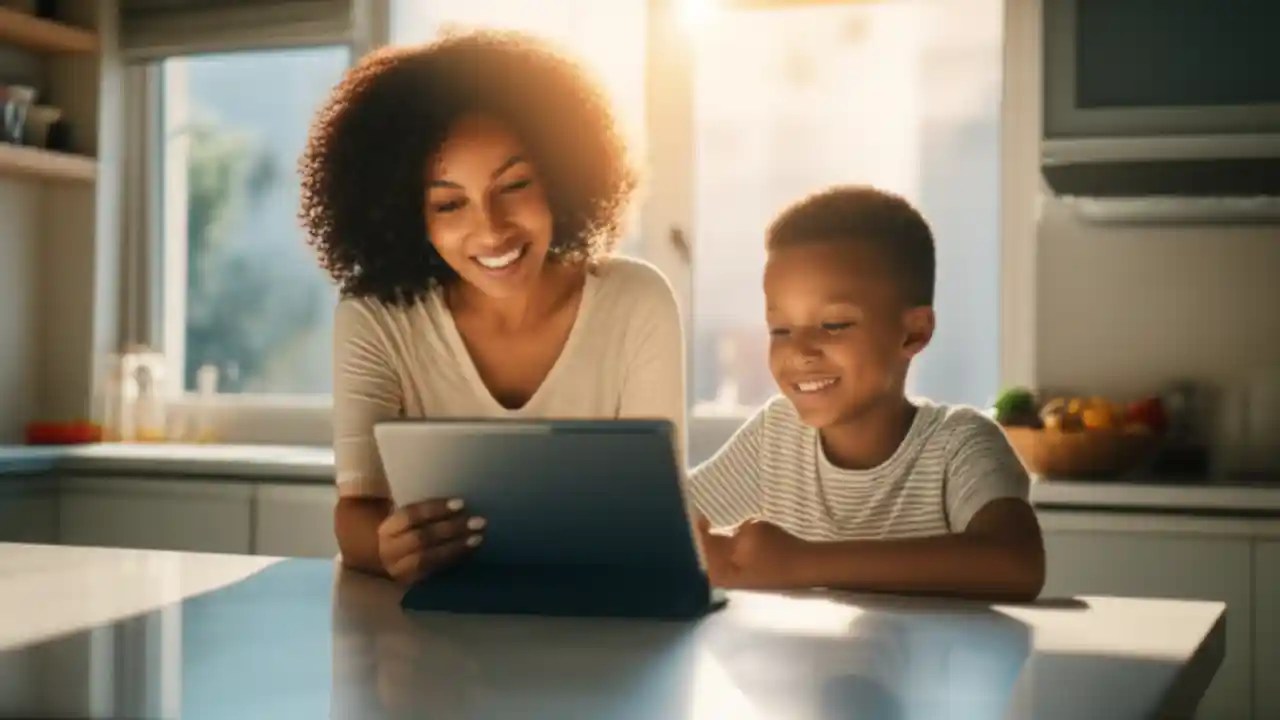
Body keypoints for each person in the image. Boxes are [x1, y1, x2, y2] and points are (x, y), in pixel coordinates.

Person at [299, 30, 685, 585]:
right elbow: (356, 512)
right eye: (450, 203)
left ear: (560, 174)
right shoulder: (375, 319)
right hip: (430, 638)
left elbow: (657, 516)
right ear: (410, 215)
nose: (491, 228)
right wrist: (390, 549)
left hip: (602, 620)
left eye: (515, 185)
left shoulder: (636, 302)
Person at [688, 186, 1044, 601]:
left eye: (834, 325)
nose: (800, 351)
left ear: (914, 332)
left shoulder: (959, 444)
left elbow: (1017, 564)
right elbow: (663, 523)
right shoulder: (775, 436)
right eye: (780, 330)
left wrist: (802, 564)